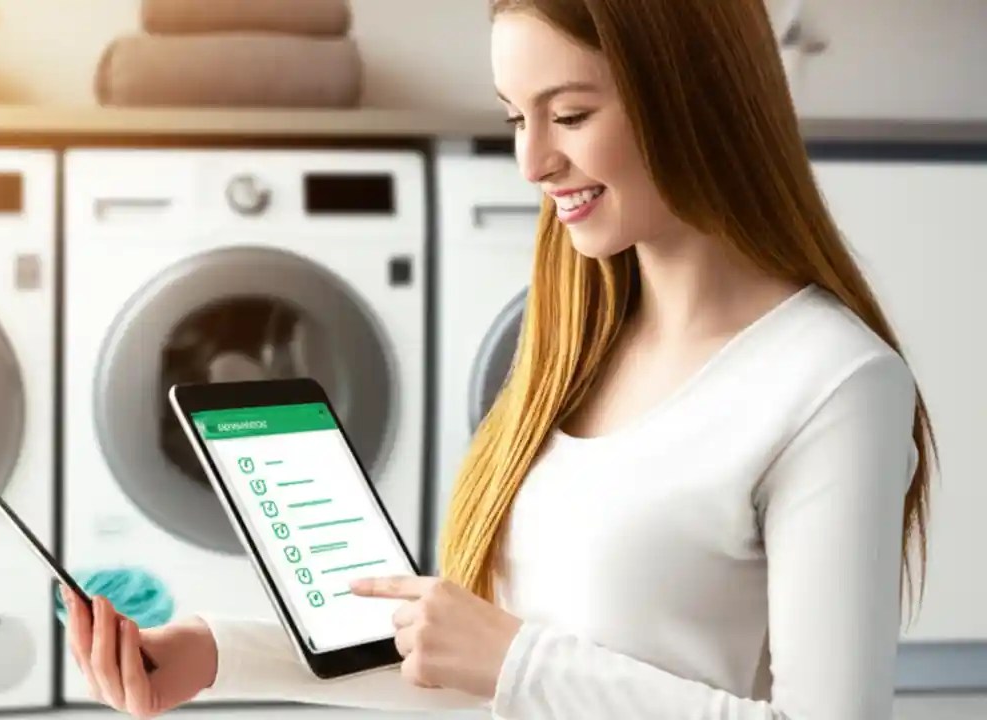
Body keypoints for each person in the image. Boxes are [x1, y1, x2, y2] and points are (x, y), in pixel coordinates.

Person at [62, 0, 939, 717]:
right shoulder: (580, 350)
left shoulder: (833, 383)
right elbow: (480, 681)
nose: (532, 160)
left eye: (569, 114)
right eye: (516, 117)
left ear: (694, 96)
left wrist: (517, 660)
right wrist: (214, 655)